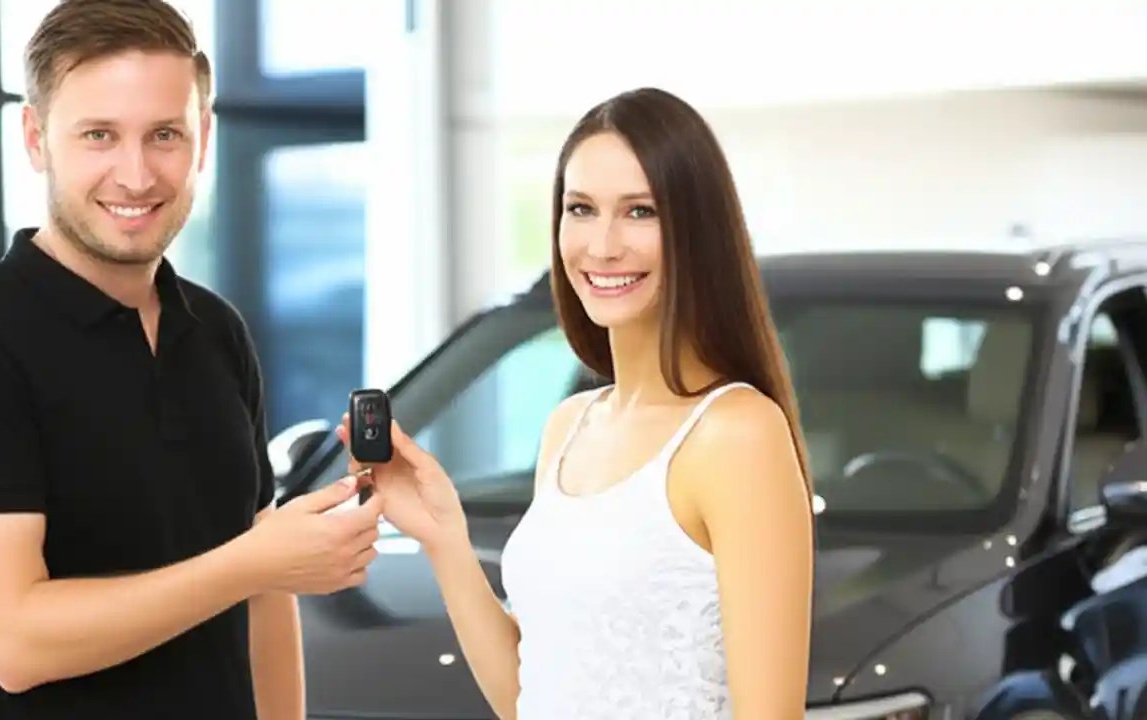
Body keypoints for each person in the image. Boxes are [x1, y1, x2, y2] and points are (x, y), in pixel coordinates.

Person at [0, 1, 382, 718]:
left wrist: (261, 569)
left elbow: (266, 605)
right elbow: (15, 643)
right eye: (98, 135)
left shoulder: (216, 331)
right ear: (35, 137)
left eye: (164, 135)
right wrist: (250, 562)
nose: (136, 173)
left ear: (203, 137)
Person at [337, 87, 816, 719]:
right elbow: (527, 698)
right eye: (581, 208)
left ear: (695, 230)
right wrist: (443, 536)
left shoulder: (737, 433)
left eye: (640, 212)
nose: (603, 244)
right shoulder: (570, 426)